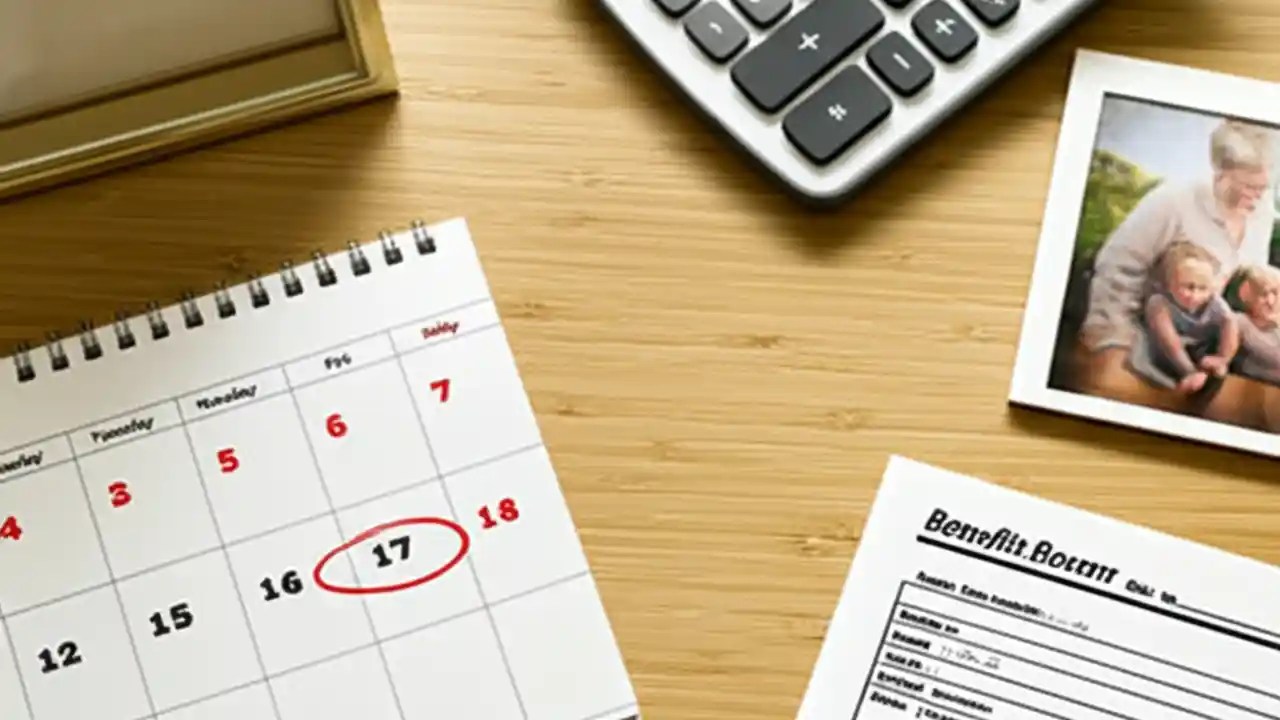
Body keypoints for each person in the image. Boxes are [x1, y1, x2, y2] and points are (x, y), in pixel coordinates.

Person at [1073, 119, 1275, 410]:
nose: (1257, 197)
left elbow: (1253, 277)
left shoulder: (1262, 213)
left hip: (1212, 330)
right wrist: (1113, 341)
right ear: (1221, 171)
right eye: (1249, 186)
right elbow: (1118, 265)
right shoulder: (1174, 201)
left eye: (1263, 187)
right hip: (1156, 329)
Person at [1126, 242, 1237, 393]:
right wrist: (1189, 371)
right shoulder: (1159, 303)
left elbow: (1230, 323)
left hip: (1197, 350)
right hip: (1164, 353)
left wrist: (1223, 357)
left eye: (1202, 288)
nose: (1195, 295)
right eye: (1188, 287)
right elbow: (1169, 342)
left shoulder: (1215, 302)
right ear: (1170, 283)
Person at [1235, 264, 1280, 384]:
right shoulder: (1239, 322)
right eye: (1263, 294)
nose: (1270, 301)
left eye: (1275, 293)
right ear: (1247, 296)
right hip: (1254, 388)